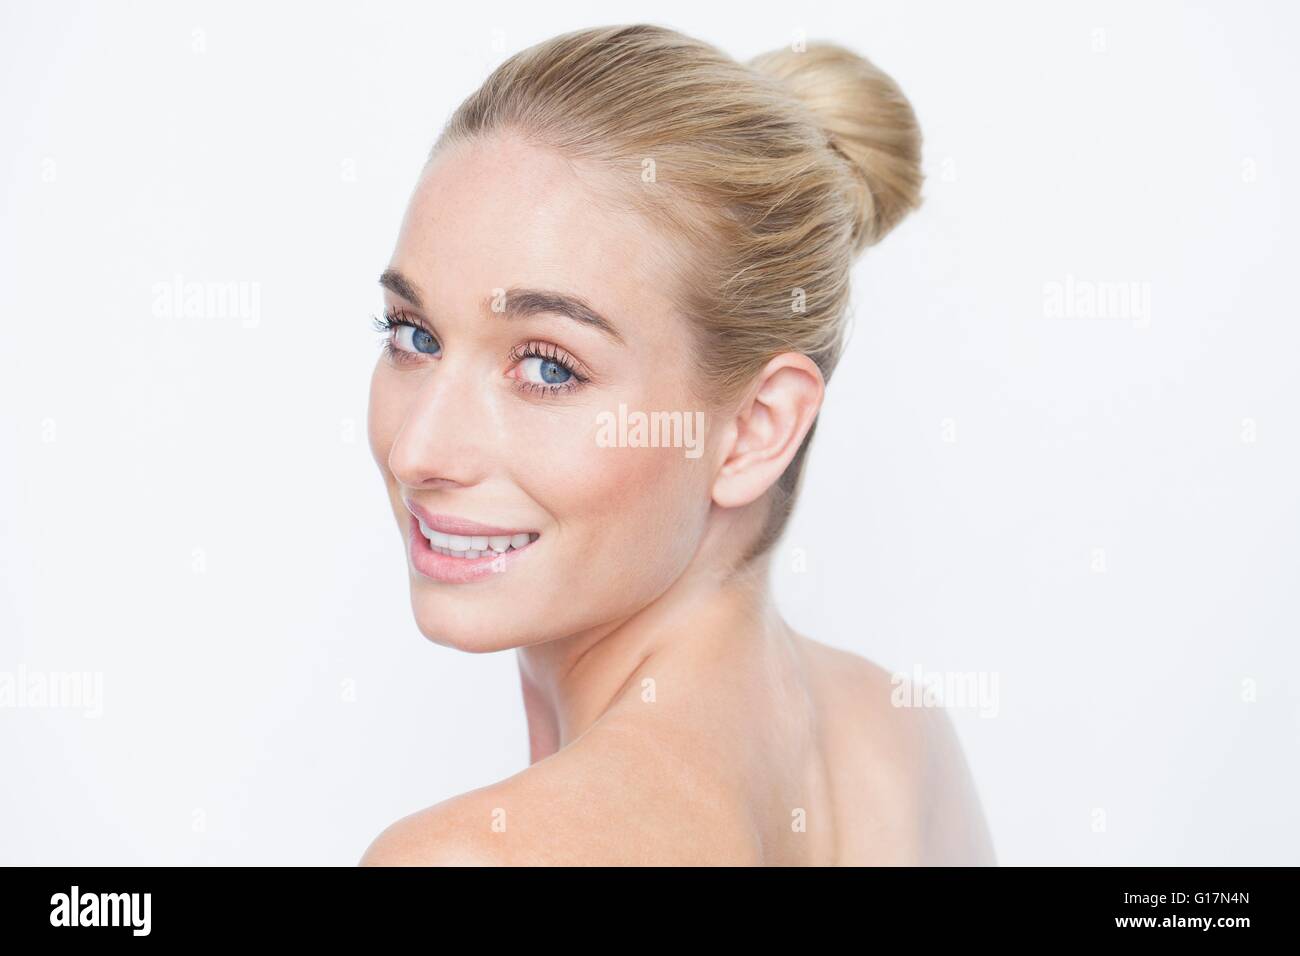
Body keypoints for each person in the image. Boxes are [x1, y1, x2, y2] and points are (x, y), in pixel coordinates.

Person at [360, 23, 995, 865]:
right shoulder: (894, 732)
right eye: (414, 335)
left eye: (548, 369)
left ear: (755, 430)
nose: (417, 450)